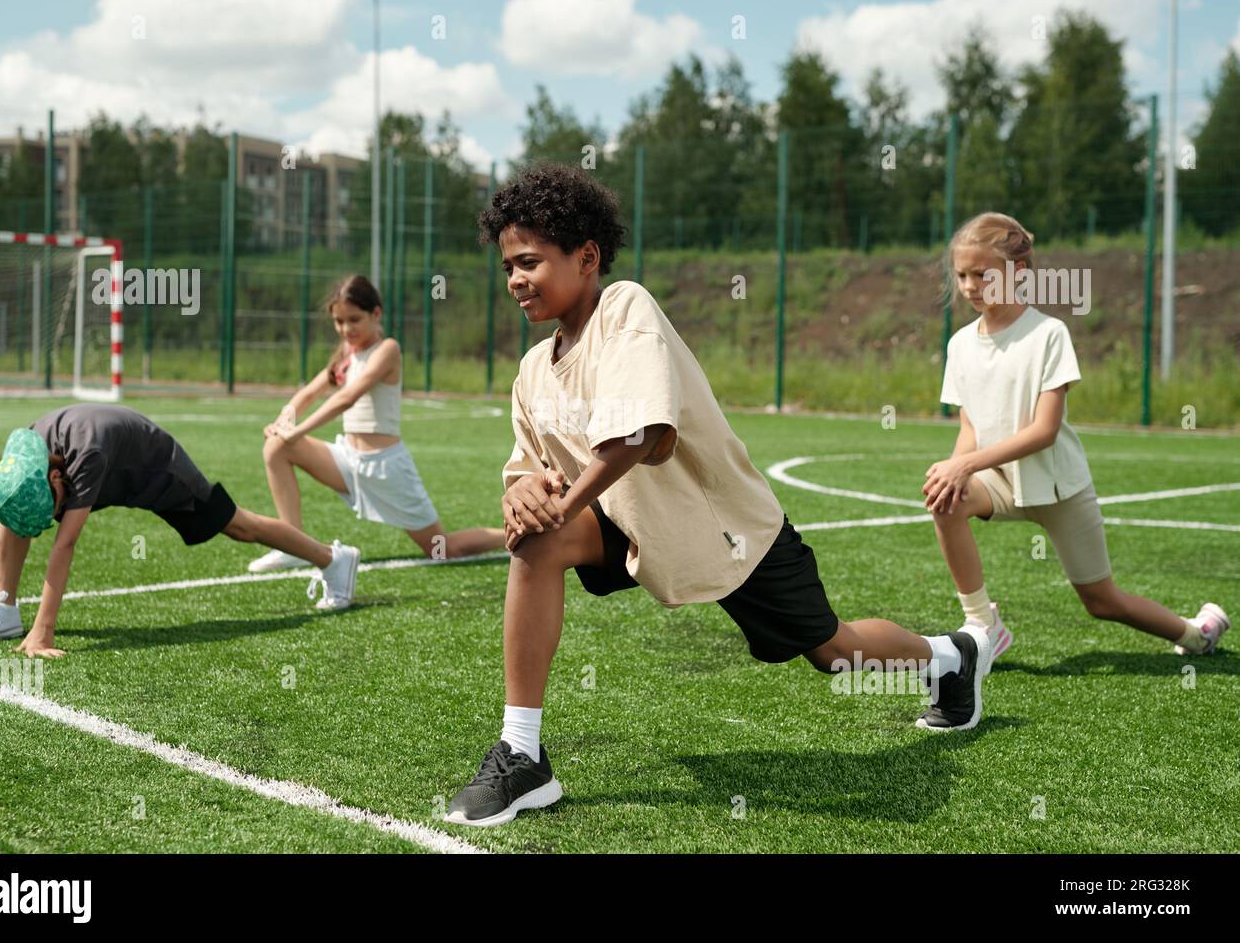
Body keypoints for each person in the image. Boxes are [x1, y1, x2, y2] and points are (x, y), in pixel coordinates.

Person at [443, 163, 992, 828]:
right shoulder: (533, 369)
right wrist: (524, 497)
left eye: (529, 261)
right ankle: (522, 754)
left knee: (836, 654)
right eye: (507, 267)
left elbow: (639, 436)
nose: (515, 281)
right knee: (535, 540)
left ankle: (949, 657)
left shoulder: (625, 308)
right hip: (630, 524)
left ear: (586, 257)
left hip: (726, 528)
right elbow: (524, 470)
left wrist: (557, 503)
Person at [924, 211, 1228, 662]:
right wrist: (955, 469)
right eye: (962, 275)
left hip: (1058, 486)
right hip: (1000, 483)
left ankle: (1197, 634)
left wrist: (966, 465)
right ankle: (984, 626)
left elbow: (1044, 432)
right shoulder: (960, 344)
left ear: (1017, 272)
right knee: (943, 499)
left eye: (982, 274)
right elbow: (970, 428)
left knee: (1100, 601)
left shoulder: (1049, 334)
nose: (969, 286)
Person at [0, 404, 360, 657]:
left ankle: (332, 558)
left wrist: (44, 631)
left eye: (50, 505)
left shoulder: (87, 456)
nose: (48, 516)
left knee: (238, 526)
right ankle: (3, 610)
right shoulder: (28, 455)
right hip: (106, 466)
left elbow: (65, 544)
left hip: (156, 470)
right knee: (12, 523)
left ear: (55, 478)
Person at [247, 274, 504, 572]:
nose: (346, 329)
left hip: (386, 469)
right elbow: (311, 392)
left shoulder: (388, 350)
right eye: (339, 322)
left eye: (354, 320)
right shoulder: (347, 353)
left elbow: (347, 399)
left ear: (376, 314)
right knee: (276, 447)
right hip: (348, 461)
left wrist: (299, 431)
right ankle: (294, 545)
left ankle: (514, 536)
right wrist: (283, 421)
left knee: (443, 549)